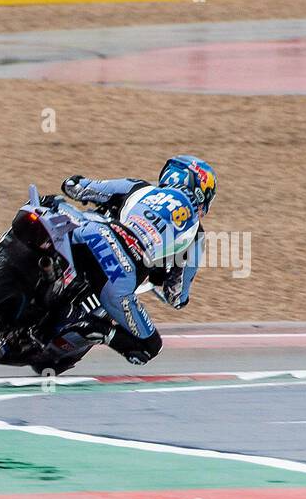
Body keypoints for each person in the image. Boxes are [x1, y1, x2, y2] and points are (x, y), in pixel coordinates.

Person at [35, 154, 216, 372]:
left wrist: (76, 181)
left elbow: (75, 187)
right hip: (120, 273)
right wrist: (167, 278)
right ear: (201, 192)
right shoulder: (196, 234)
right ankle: (97, 331)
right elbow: (176, 296)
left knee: (47, 205)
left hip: (88, 232)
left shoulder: (138, 187)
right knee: (149, 348)